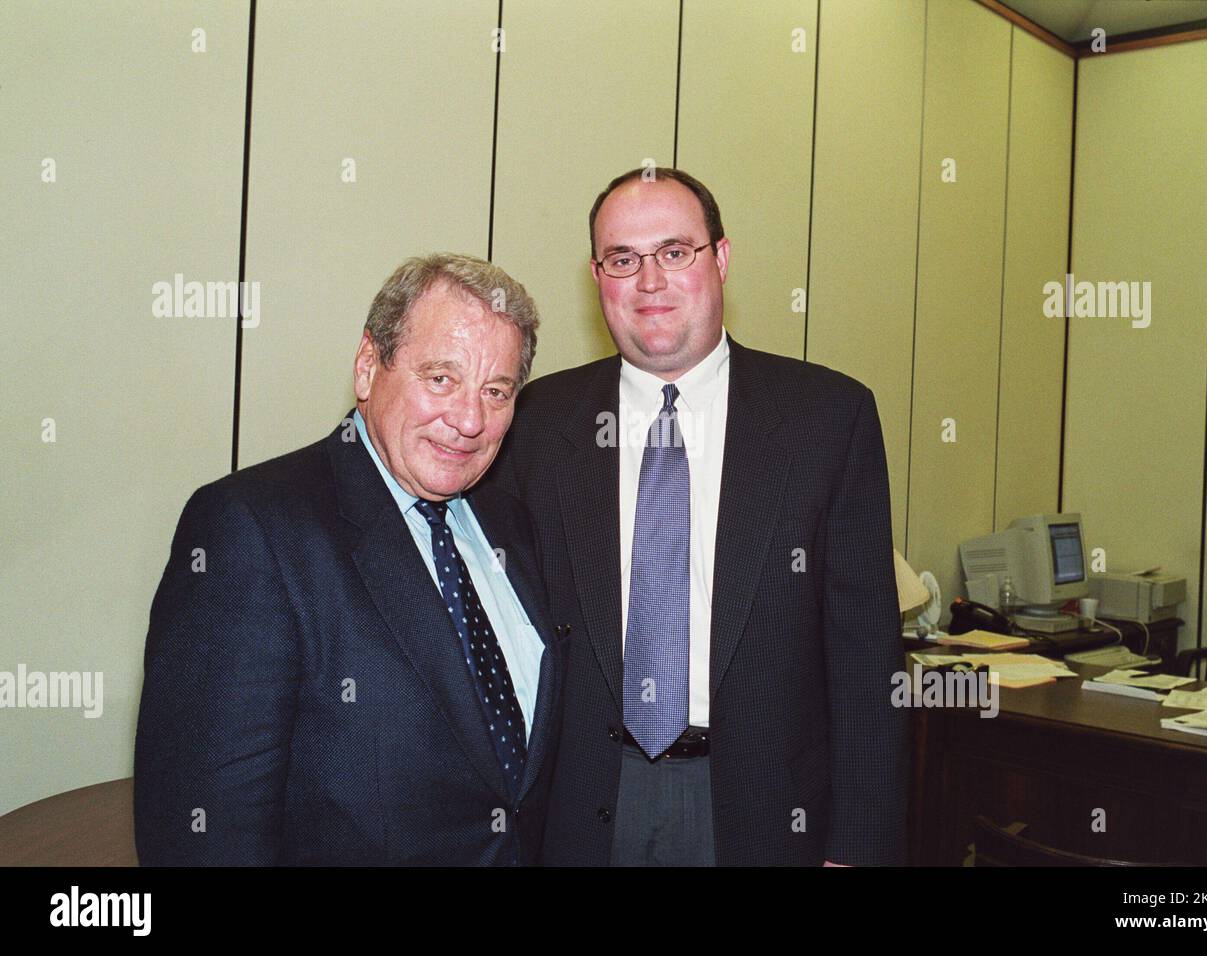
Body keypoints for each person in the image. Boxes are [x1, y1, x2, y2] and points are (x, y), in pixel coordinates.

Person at [487, 167, 909, 866]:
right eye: (624, 260)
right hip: (581, 809)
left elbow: (867, 660)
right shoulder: (534, 424)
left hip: (765, 811)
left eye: (675, 251)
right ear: (598, 278)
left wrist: (858, 845)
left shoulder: (829, 419)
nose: (649, 281)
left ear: (720, 258)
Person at [134, 253, 559, 865]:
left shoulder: (511, 525)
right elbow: (203, 834)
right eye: (441, 378)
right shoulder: (250, 531)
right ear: (368, 367)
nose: (470, 419)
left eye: (496, 391)